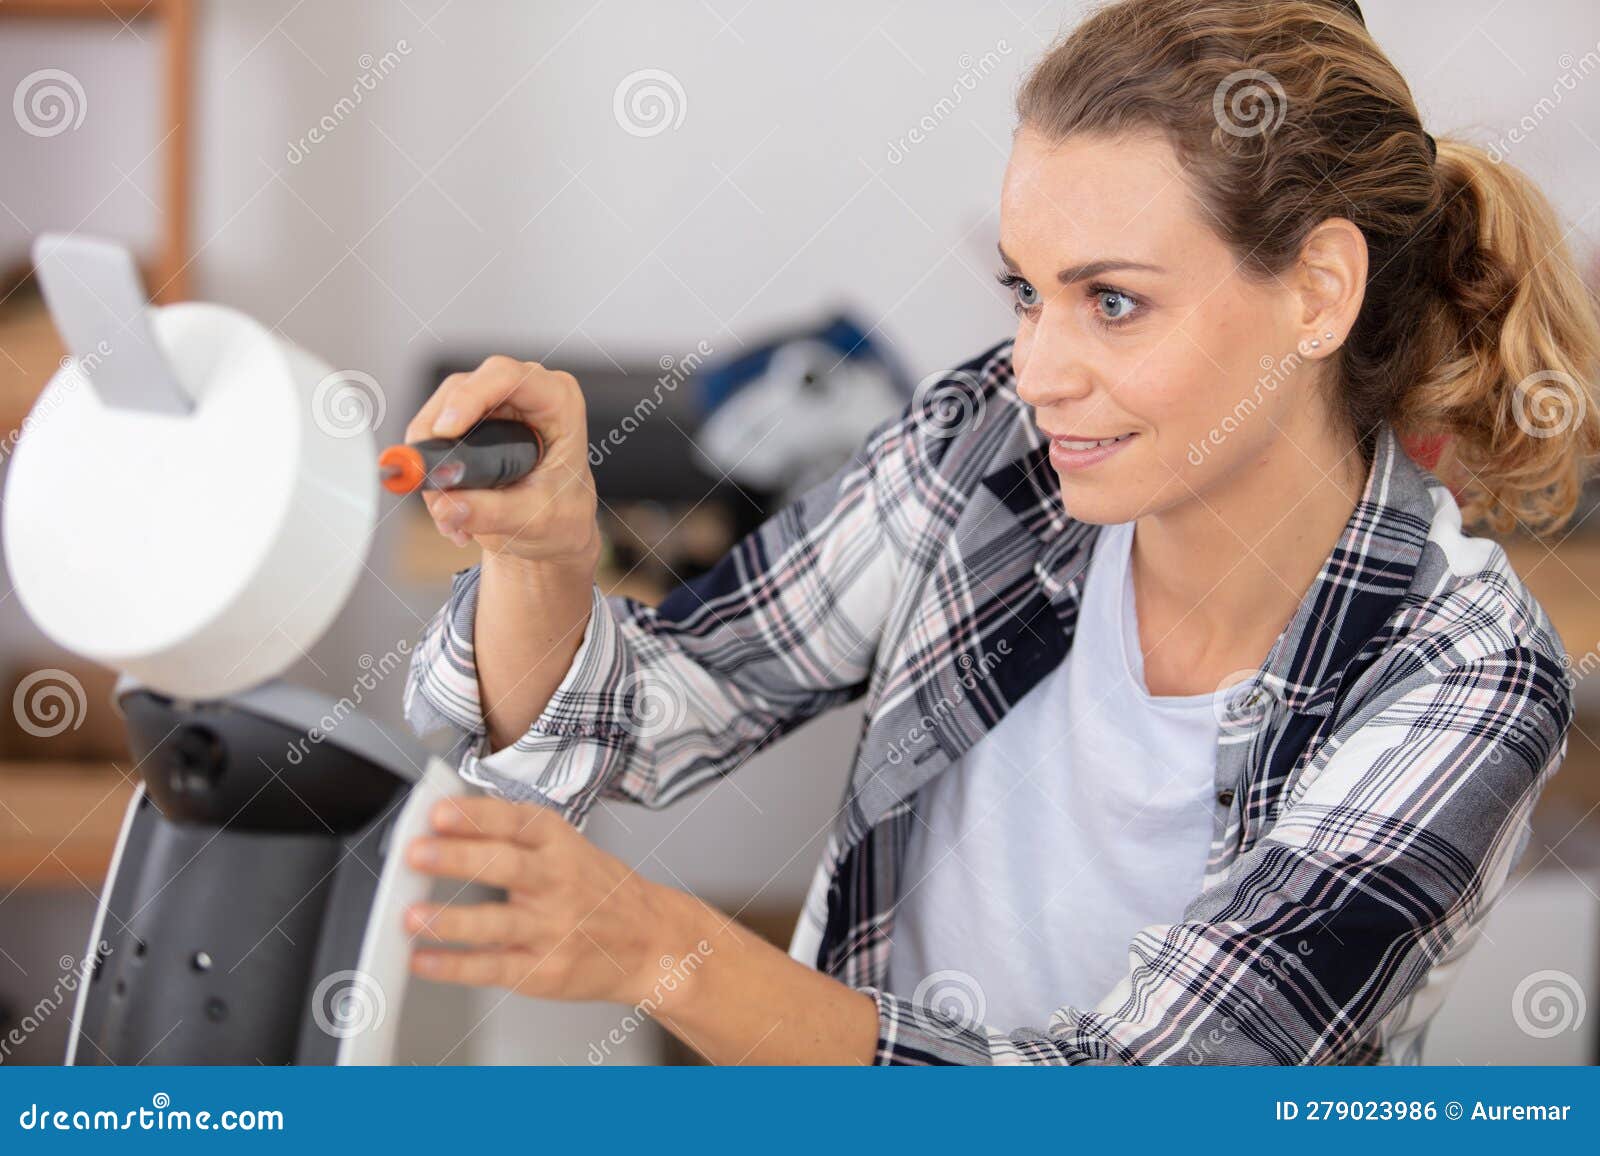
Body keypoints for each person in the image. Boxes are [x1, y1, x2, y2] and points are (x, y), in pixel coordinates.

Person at [397, 0, 1600, 1064]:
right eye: (1025, 290)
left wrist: (667, 952)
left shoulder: (1462, 674)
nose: (1035, 368)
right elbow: (656, 708)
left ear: (1318, 291)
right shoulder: (992, 444)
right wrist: (542, 553)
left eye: (1112, 301)